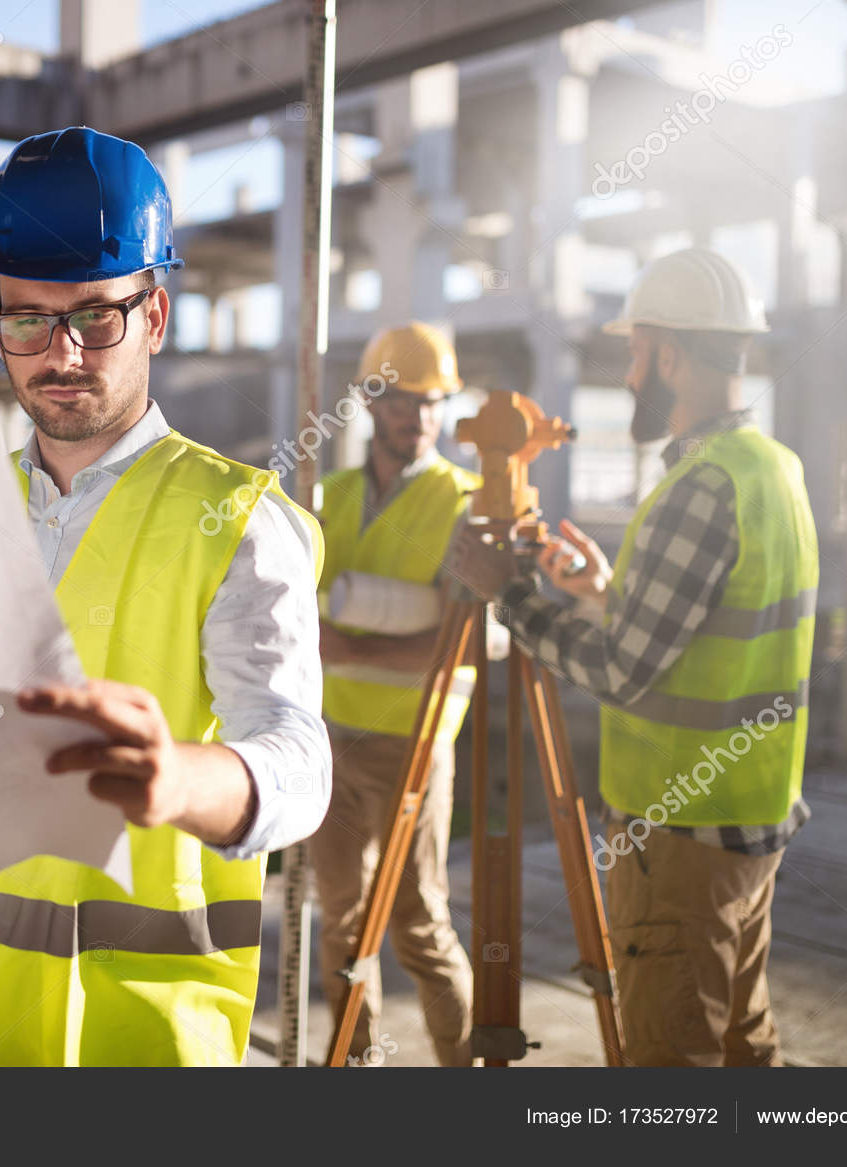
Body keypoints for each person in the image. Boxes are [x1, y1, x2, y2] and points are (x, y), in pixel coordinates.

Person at [0, 126, 330, 1066]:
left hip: (134, 1044)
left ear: (156, 317)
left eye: (96, 317)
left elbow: (300, 763)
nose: (61, 354)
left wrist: (179, 780)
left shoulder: (238, 519)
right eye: (27, 321)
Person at [446, 247, 817, 1067]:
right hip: (752, 823)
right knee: (744, 1046)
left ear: (671, 355)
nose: (630, 374)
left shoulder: (697, 488)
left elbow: (621, 672)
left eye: (636, 353)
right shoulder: (773, 470)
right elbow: (719, 627)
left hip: (682, 841)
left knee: (669, 1068)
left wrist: (510, 594)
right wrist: (608, 592)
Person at [311, 322, 480, 1067]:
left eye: (434, 402)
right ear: (372, 401)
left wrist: (350, 645)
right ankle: (356, 1061)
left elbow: (464, 638)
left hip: (416, 742)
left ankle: (464, 1064)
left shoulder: (466, 501)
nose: (421, 416)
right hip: (332, 739)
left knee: (417, 922)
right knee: (341, 921)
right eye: (406, 400)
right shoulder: (331, 497)